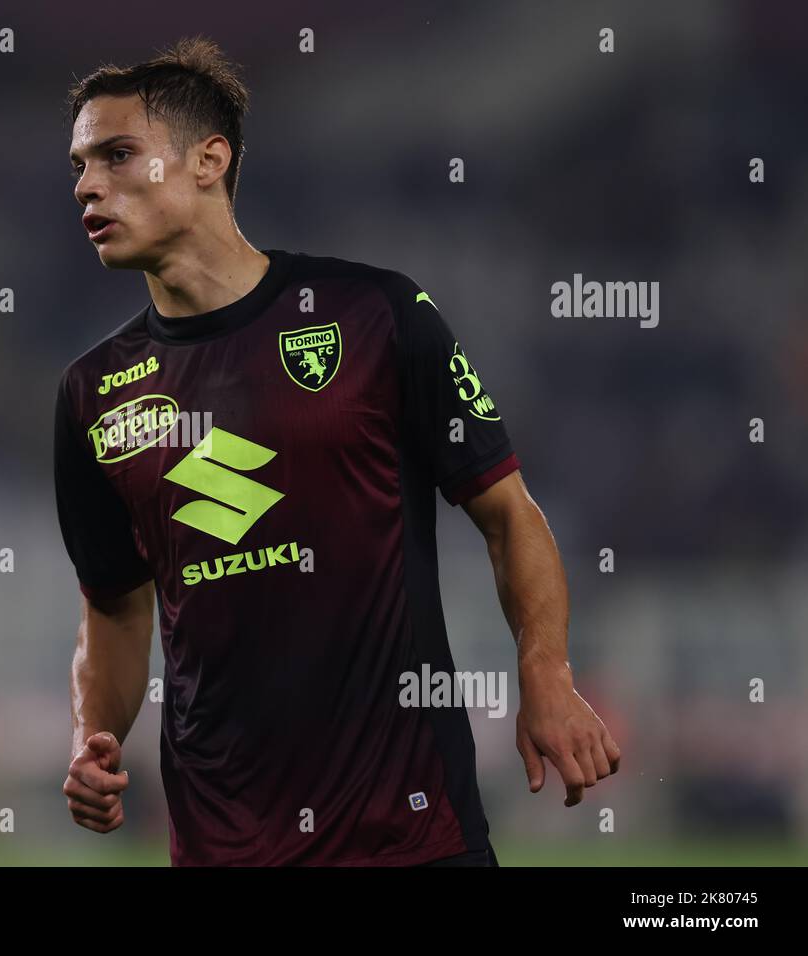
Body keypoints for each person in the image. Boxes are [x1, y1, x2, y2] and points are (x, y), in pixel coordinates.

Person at [55, 35, 620, 866]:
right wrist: (93, 736)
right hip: (223, 842)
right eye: (78, 164)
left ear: (209, 160)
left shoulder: (375, 316)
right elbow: (113, 604)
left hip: (412, 834)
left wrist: (546, 670)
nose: (85, 185)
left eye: (117, 155)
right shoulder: (92, 393)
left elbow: (507, 513)